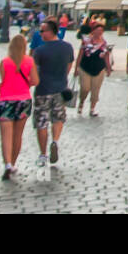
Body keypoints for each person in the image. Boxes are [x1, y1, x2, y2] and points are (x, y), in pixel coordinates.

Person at [0, 34, 37, 179]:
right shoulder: (29, 61)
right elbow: (35, 81)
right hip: (23, 100)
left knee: (6, 136)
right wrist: (26, 82)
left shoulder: (5, 62)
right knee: (18, 135)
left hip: (6, 101)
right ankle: (13, 163)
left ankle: (6, 163)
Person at [31, 19, 73, 167]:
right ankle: (55, 140)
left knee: (42, 122)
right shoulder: (67, 47)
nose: (40, 33)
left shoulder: (40, 51)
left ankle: (43, 154)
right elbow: (69, 65)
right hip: (61, 89)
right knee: (58, 118)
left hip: (43, 90)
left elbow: (34, 72)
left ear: (50, 31)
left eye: (43, 31)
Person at [76, 23, 112, 117]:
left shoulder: (104, 43)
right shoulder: (86, 41)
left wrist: (108, 68)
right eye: (98, 30)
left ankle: (92, 109)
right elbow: (80, 54)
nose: (99, 32)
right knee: (85, 88)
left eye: (101, 31)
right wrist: (76, 67)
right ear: (93, 31)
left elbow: (106, 56)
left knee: (95, 90)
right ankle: (81, 102)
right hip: (85, 67)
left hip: (99, 68)